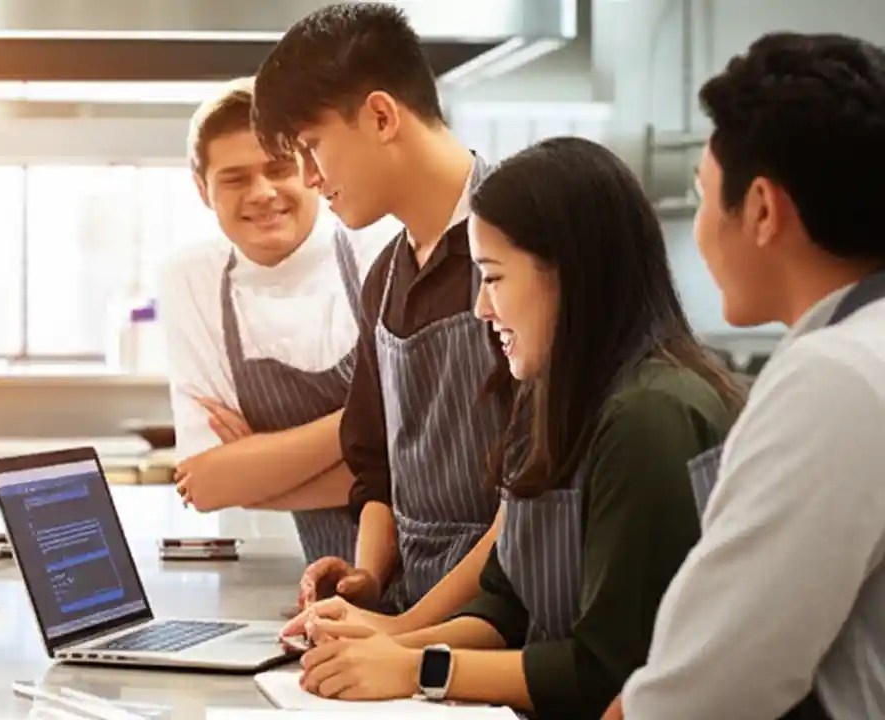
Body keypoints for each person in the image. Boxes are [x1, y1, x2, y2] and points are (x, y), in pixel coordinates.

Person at [293, 136, 743, 718]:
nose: (481, 307)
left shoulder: (650, 418)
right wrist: (379, 646)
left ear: (573, 275)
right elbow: (506, 606)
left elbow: (606, 667)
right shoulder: (550, 399)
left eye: (495, 278)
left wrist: (416, 668)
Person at [609, 32, 885, 720]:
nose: (701, 228)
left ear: (761, 207)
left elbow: (706, 693)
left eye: (705, 196)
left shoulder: (836, 378)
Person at [251, 1, 507, 626]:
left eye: (312, 149)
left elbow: (534, 500)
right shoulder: (384, 277)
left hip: (503, 628)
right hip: (411, 621)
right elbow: (374, 468)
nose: (310, 179)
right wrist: (368, 578)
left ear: (381, 116)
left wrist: (399, 636)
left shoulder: (528, 241)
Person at [160, 77, 393, 564]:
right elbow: (205, 483)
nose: (262, 193)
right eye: (235, 178)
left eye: (278, 168)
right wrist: (368, 424)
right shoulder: (192, 278)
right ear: (202, 189)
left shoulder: (379, 248)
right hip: (323, 582)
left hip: (438, 573)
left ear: (310, 169)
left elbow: (426, 467)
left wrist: (260, 472)